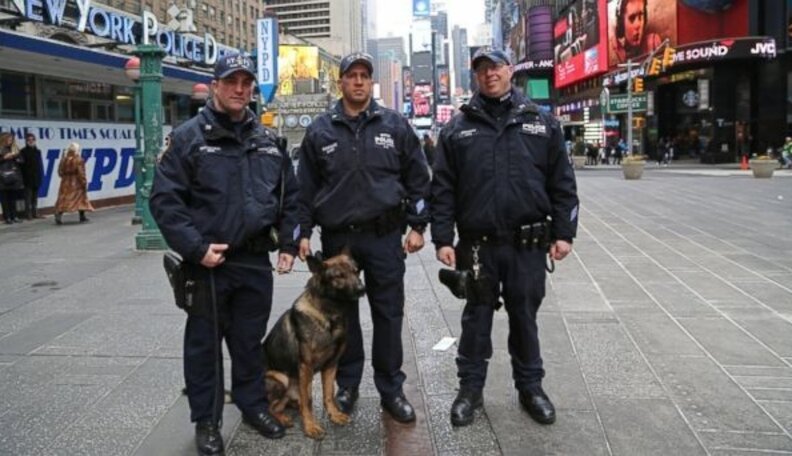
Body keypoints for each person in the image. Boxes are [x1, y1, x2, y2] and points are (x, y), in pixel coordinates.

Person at [150, 53, 299, 455]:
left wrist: (288, 244)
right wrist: (196, 249)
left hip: (254, 262)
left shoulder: (269, 141)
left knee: (249, 342)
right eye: (231, 81)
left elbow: (291, 198)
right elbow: (164, 201)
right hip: (208, 265)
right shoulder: (188, 138)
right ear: (215, 85)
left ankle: (253, 406)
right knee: (204, 346)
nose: (239, 89)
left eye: (246, 82)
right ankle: (207, 422)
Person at [431, 48, 579, 427]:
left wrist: (564, 233)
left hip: (526, 246)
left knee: (524, 318)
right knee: (476, 318)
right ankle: (469, 391)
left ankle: (531, 388)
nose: (489, 74)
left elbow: (562, 184)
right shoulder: (457, 128)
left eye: (495, 67)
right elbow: (443, 189)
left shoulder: (541, 123)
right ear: (475, 77)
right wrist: (443, 238)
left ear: (510, 70)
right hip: (477, 246)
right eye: (481, 69)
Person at [296, 52, 430, 424]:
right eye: (351, 75)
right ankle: (347, 384)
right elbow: (304, 189)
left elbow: (419, 178)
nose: (358, 81)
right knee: (342, 317)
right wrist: (301, 233)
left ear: (371, 82)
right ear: (340, 82)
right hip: (339, 242)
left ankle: (391, 388)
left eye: (364, 76)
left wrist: (418, 225)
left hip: (385, 236)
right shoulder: (320, 130)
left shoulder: (395, 125)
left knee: (388, 314)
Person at [53, 143, 94, 225]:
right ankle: (82, 216)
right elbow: (81, 173)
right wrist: (84, 182)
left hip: (65, 182)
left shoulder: (64, 159)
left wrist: (65, 177)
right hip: (76, 183)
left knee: (63, 199)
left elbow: (60, 172)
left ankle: (59, 214)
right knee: (81, 198)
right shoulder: (78, 160)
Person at [0, 132, 24, 224]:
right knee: (5, 198)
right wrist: (4, 158)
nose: (11, 141)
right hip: (3, 176)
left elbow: (22, 160)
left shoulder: (15, 148)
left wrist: (15, 157)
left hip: (13, 175)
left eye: (12, 140)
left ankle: (15, 216)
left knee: (13, 198)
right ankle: (7, 217)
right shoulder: (1, 149)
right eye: (9, 140)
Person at [20, 132, 44, 219]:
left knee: (35, 197)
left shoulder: (38, 151)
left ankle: (35, 213)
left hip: (36, 177)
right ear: (26, 141)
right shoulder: (23, 151)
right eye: (28, 140)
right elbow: (22, 166)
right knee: (28, 198)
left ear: (35, 141)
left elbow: (40, 165)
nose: (30, 141)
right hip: (27, 178)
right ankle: (28, 214)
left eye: (32, 140)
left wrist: (41, 175)